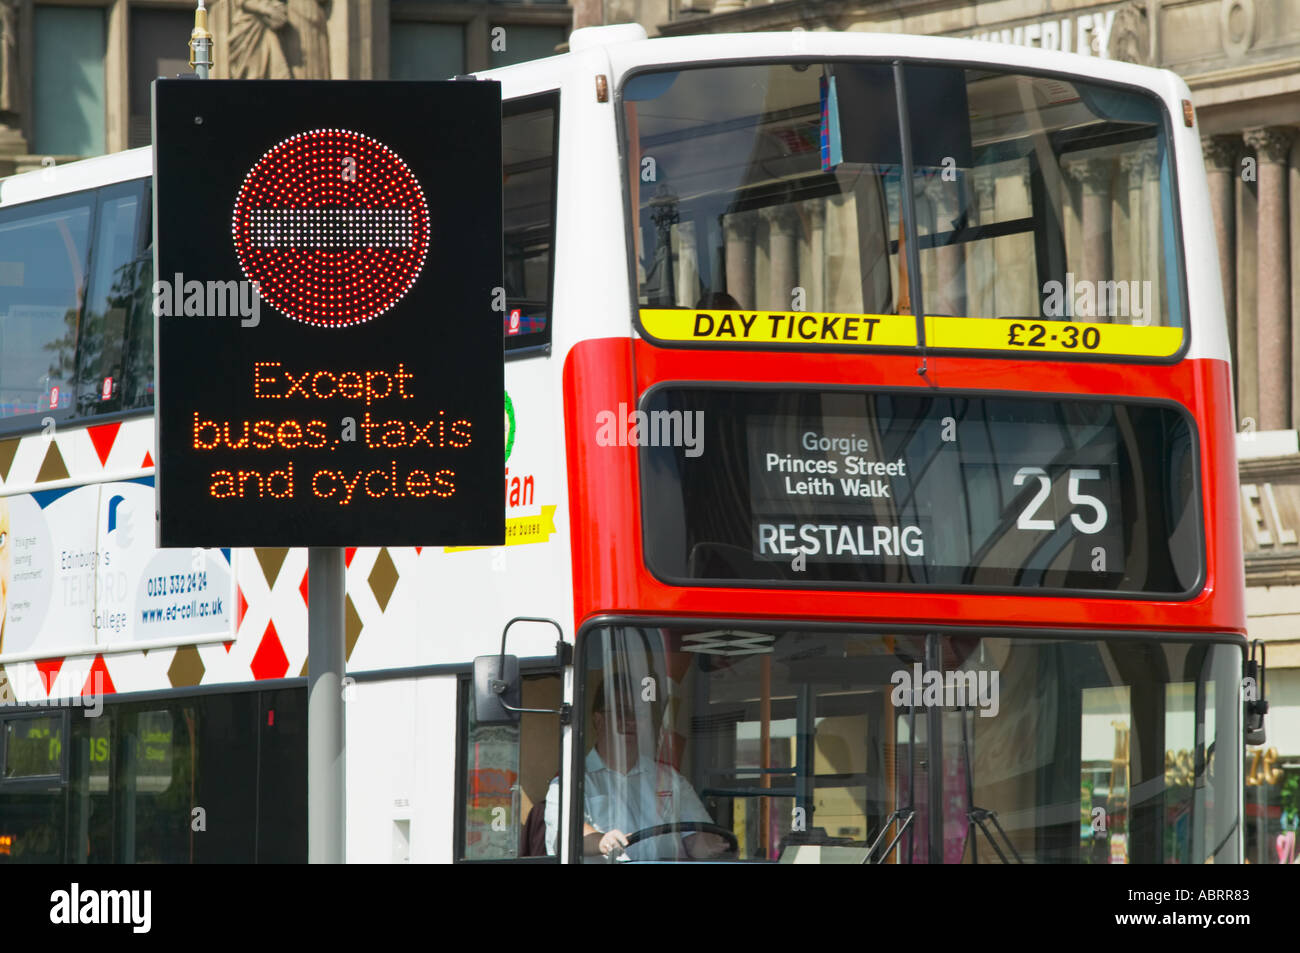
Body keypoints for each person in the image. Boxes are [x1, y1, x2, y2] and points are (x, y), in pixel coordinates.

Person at [545, 673, 728, 861]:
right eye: (621, 712)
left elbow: (697, 838)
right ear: (598, 720)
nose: (631, 720)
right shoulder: (570, 782)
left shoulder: (669, 778)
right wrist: (602, 841)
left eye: (639, 713)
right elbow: (567, 832)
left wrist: (711, 847)